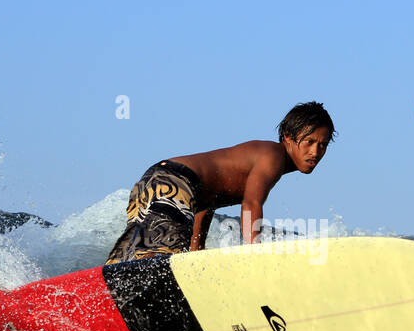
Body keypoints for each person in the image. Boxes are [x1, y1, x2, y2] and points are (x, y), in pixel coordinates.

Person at [104, 101, 334, 265]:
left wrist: (196, 255)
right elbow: (251, 203)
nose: (315, 152)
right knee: (156, 266)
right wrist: (255, 257)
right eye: (309, 141)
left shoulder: (262, 162)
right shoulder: (273, 156)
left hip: (156, 181)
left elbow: (206, 202)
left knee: (126, 266)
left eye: (322, 145)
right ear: (287, 136)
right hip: (175, 182)